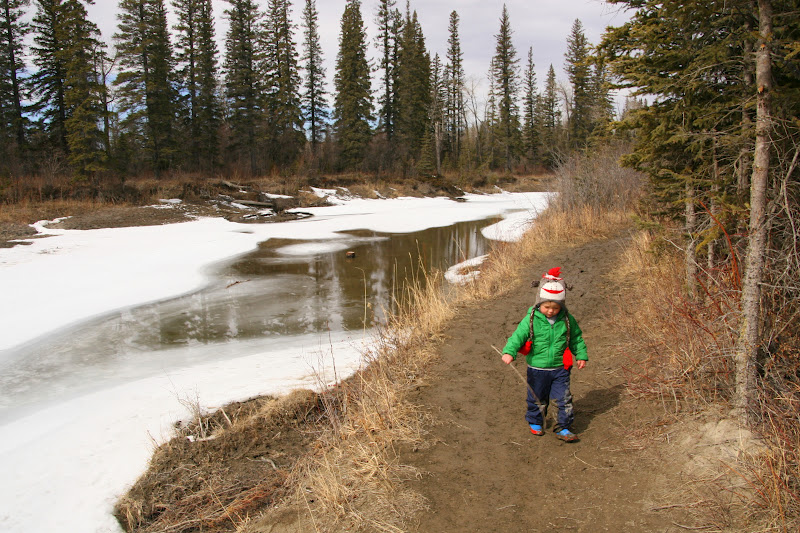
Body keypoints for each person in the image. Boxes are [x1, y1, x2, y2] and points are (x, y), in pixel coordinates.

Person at [501, 267, 588, 442]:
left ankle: (563, 427)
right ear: (539, 303)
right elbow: (518, 336)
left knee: (563, 399)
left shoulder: (567, 320)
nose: (550, 311)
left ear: (561, 306)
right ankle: (536, 421)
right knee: (536, 397)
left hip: (560, 368)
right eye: (547, 306)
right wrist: (509, 352)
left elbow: (576, 338)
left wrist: (581, 355)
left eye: (555, 307)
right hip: (537, 368)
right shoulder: (531, 319)